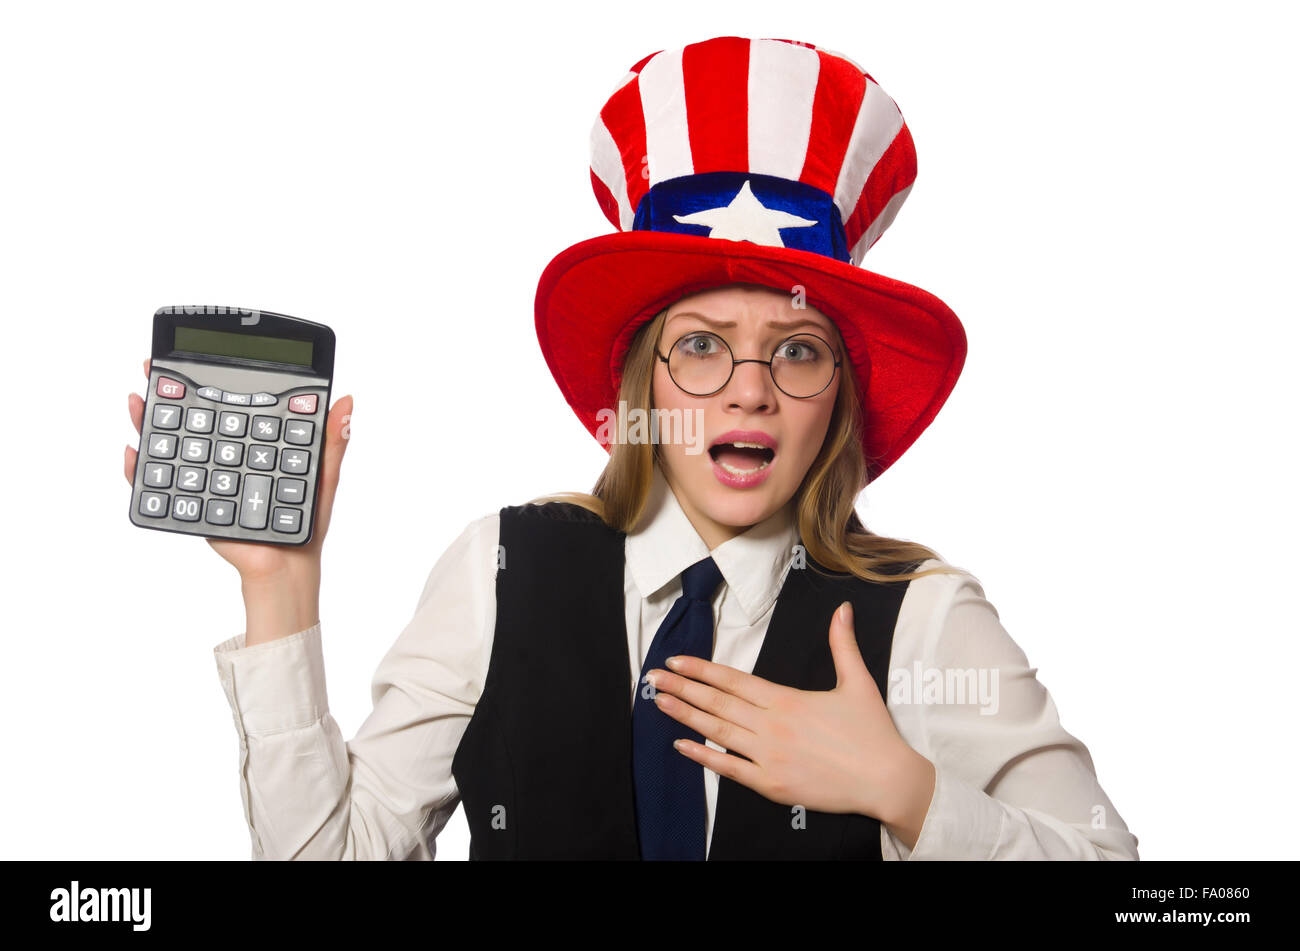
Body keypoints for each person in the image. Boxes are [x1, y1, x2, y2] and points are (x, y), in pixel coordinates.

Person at [122, 35, 1139, 860]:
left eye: (795, 350)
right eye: (701, 345)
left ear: (838, 399)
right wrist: (280, 590)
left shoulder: (922, 618)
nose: (749, 387)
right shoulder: (501, 569)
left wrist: (907, 794)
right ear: (640, 381)